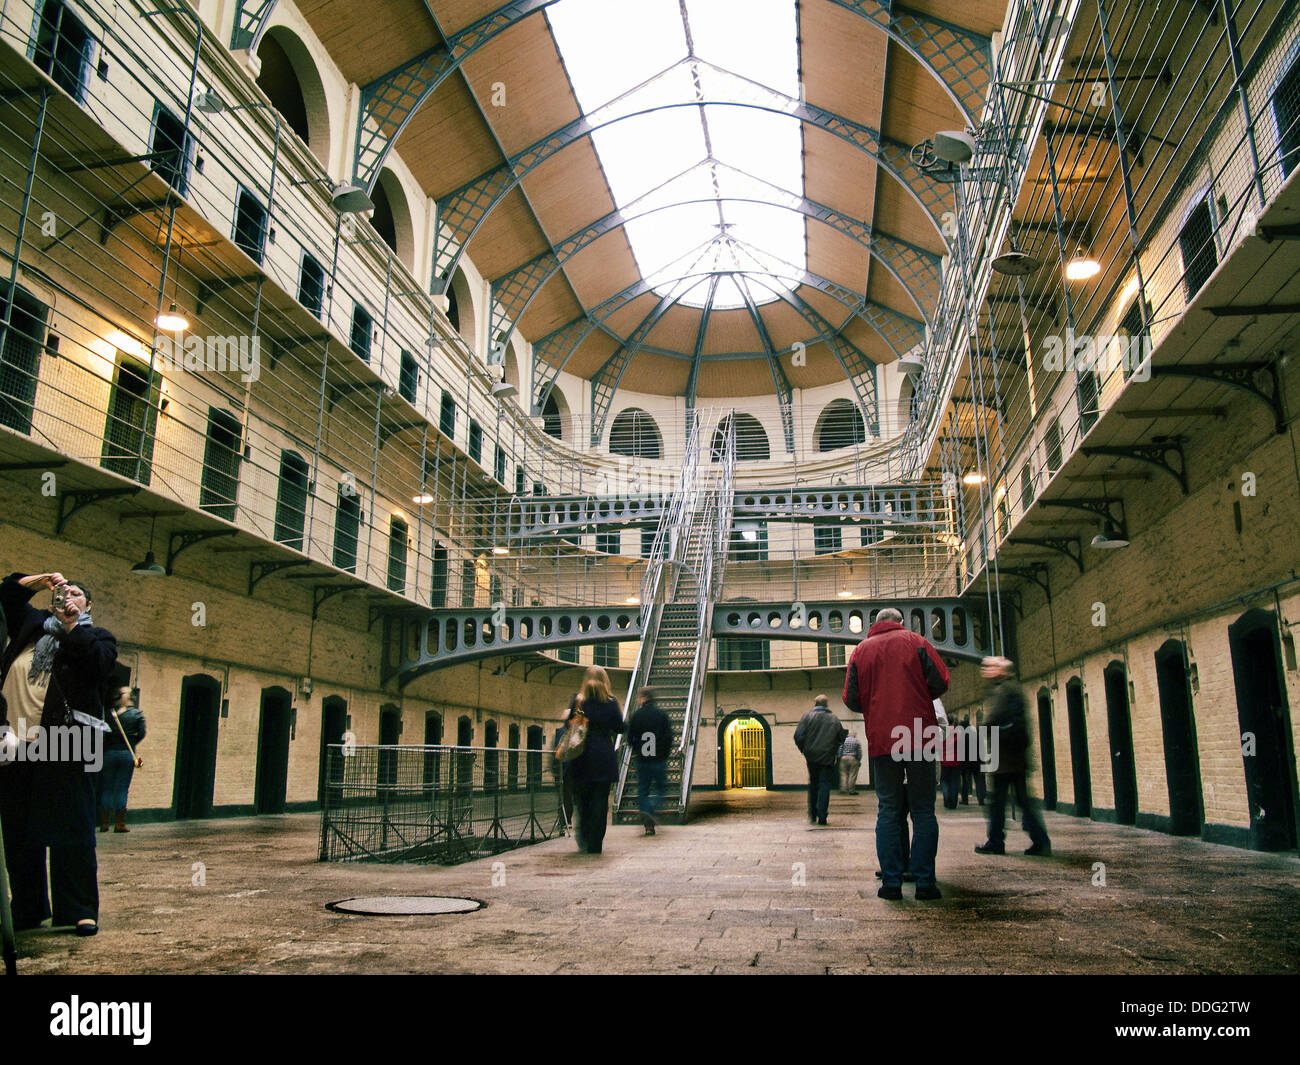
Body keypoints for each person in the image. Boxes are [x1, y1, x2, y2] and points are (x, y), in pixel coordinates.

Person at [0, 571, 117, 936]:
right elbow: (7, 596)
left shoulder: (96, 636)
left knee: (72, 828)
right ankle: (29, 908)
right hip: (14, 742)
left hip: (67, 742)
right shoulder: (33, 625)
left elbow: (100, 665)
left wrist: (70, 627)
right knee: (19, 830)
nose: (69, 598)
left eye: (77, 594)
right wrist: (41, 581)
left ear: (88, 605)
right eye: (65, 592)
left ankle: (79, 909)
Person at [843, 606, 949, 901]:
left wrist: (878, 706)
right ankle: (925, 883)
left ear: (875, 624)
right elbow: (942, 681)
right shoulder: (917, 642)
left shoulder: (861, 651)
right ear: (900, 622)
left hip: (883, 740)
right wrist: (915, 693)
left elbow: (850, 698)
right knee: (923, 811)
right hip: (919, 735)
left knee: (888, 809)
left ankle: (891, 884)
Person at [974, 657, 1052, 857]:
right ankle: (1039, 840)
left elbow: (993, 718)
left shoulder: (1004, 690)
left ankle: (997, 841)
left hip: (1006, 758)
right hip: (1014, 757)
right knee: (1020, 800)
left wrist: (983, 727)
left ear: (1001, 671)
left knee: (999, 802)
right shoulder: (1013, 689)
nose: (986, 670)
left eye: (991, 667)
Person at [562, 666, 622, 854]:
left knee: (582, 800)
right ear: (605, 681)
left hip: (581, 758)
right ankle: (595, 844)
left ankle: (583, 836)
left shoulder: (578, 701)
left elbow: (568, 725)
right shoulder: (611, 703)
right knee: (600, 802)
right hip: (603, 758)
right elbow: (619, 727)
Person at [625, 687, 673, 835]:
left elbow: (630, 738)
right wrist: (664, 753)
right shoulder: (661, 715)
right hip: (658, 759)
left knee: (643, 790)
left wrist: (637, 750)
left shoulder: (636, 716)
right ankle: (651, 807)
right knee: (660, 789)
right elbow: (668, 737)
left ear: (643, 698)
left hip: (643, 759)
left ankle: (647, 819)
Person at [97, 687, 145, 833]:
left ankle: (104, 824)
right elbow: (142, 733)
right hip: (126, 754)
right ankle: (119, 824)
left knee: (107, 789)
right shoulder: (136, 715)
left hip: (109, 753)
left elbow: (103, 733)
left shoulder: (109, 714)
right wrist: (131, 742)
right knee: (122, 789)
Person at [794, 695, 846, 826]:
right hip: (827, 757)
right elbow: (841, 737)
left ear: (815, 703)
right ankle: (822, 816)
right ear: (827, 705)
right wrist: (833, 749)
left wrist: (804, 750)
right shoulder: (834, 719)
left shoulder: (807, 717)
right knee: (824, 785)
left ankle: (812, 814)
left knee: (813, 783)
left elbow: (798, 736)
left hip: (811, 756)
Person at [962, 718, 985, 806]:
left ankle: (965, 800)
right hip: (977, 762)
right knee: (979, 780)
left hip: (966, 763)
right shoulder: (977, 735)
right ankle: (981, 799)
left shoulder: (962, 738)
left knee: (965, 782)